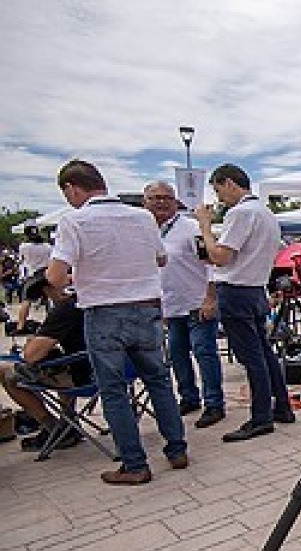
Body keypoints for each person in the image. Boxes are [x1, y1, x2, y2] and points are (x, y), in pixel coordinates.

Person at [47, 159, 187, 485]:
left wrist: (82, 273)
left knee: (113, 390)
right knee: (159, 380)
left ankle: (135, 464)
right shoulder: (142, 217)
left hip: (104, 311)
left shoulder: (74, 222)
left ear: (73, 188)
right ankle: (176, 448)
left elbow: (55, 276)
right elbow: (161, 258)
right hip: (146, 308)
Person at [197, 163, 294, 442]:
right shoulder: (265, 213)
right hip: (255, 289)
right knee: (264, 354)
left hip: (237, 290)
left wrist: (205, 226)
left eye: (219, 191)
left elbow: (220, 257)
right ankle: (281, 407)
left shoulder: (240, 213)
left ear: (229, 183)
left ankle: (261, 417)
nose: (219, 199)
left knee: (252, 358)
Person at [144, 181, 226, 429]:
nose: (161, 202)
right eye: (154, 198)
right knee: (178, 356)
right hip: (170, 306)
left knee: (204, 353)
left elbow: (212, 264)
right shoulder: (146, 231)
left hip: (197, 303)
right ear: (144, 202)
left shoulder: (192, 229)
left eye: (166, 198)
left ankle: (214, 404)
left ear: (176, 202)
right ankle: (189, 397)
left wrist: (210, 298)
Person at [0, 270, 88, 452]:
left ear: (48, 290)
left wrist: (35, 339)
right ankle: (69, 422)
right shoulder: (89, 300)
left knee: (7, 373)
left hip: (85, 377)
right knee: (59, 363)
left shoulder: (64, 310)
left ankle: (55, 428)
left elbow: (30, 355)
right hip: (113, 371)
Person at [15, 227, 53, 332]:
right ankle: (51, 324)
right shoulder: (48, 246)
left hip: (33, 275)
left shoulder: (24, 246)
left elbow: (21, 259)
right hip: (46, 274)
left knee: (26, 301)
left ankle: (20, 326)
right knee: (50, 301)